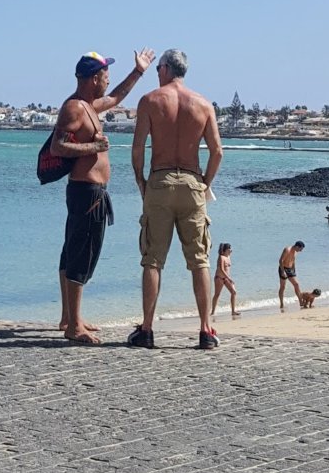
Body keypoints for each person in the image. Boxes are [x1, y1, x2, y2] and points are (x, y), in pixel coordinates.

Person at [54, 48, 155, 344]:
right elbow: (57, 147)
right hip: (86, 192)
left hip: (89, 192)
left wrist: (138, 72)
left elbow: (116, 98)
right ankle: (73, 326)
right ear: (94, 78)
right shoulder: (74, 108)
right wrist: (93, 149)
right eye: (105, 74)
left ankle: (69, 317)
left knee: (72, 251)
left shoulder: (88, 106)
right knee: (82, 255)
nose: (108, 80)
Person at [128, 48, 224, 350]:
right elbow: (217, 152)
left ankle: (146, 329)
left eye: (158, 68)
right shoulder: (203, 104)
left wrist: (142, 182)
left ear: (167, 68)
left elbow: (138, 149)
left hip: (161, 179)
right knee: (199, 260)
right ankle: (206, 329)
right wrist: (203, 183)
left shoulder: (151, 101)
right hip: (193, 182)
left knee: (153, 259)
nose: (157, 73)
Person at [210, 243, 239, 317]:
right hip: (219, 278)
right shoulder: (221, 257)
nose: (231, 250)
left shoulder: (228, 257)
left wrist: (229, 278)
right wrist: (229, 278)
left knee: (234, 292)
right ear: (225, 250)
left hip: (226, 278)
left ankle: (233, 311)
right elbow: (222, 269)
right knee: (217, 294)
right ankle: (213, 312)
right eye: (229, 249)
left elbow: (227, 269)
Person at [277, 241, 305, 310]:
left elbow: (293, 260)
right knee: (283, 287)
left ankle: (301, 302)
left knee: (296, 284)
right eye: (300, 249)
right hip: (283, 268)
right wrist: (283, 272)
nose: (301, 251)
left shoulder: (295, 251)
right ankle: (281, 304)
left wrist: (294, 270)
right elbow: (280, 260)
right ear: (297, 246)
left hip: (290, 269)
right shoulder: (287, 249)